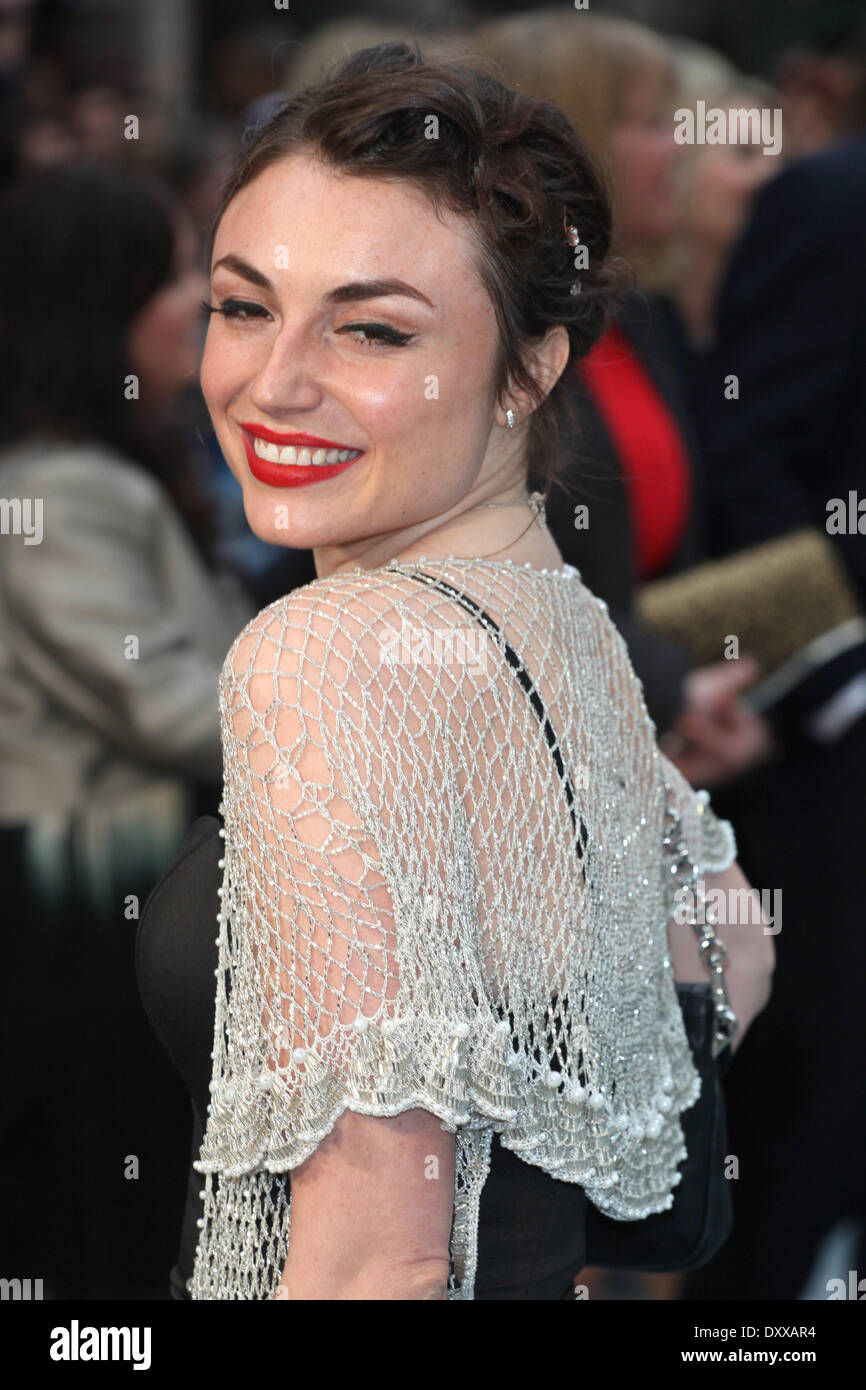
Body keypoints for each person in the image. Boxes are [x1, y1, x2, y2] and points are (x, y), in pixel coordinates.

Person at [136, 40, 775, 1301]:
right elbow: (733, 942)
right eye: (244, 303)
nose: (275, 384)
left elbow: (378, 1262)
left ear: (531, 367)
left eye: (372, 330)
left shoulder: (328, 654)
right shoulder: (557, 626)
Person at [0, 165, 254, 1297]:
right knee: (95, 1224)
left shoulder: (113, 469)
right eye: (174, 278)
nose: (198, 304)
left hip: (110, 903)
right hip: (75, 910)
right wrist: (349, 709)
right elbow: (164, 706)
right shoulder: (51, 494)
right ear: (97, 305)